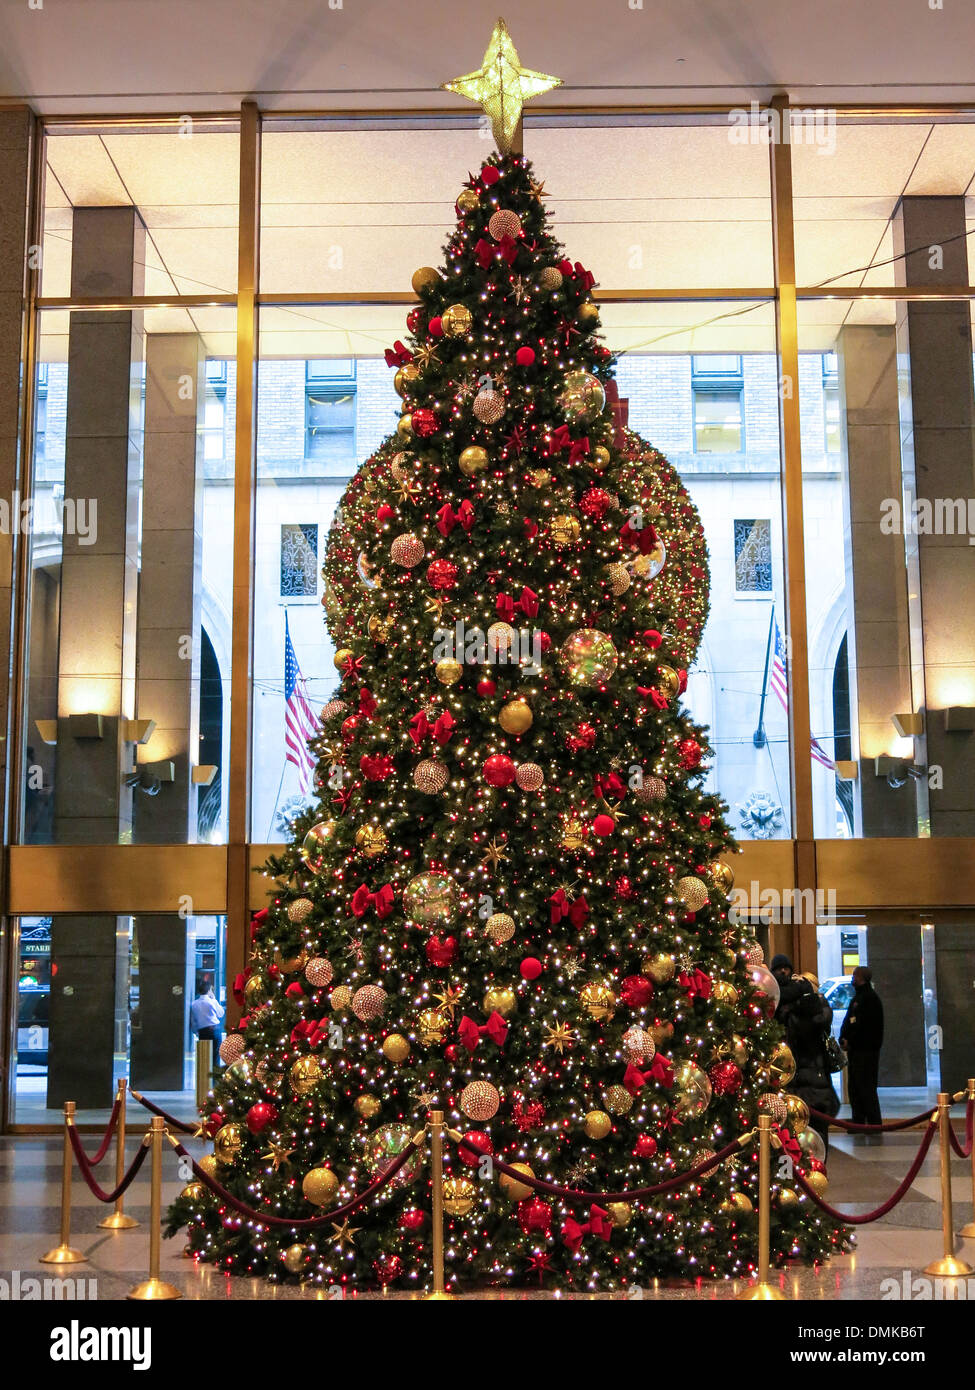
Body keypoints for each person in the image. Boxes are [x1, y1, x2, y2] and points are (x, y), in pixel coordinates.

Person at [770, 955, 839, 1157]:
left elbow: (817, 1021)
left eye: (786, 968)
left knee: (816, 1130)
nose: (783, 972)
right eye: (779, 969)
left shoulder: (809, 1004)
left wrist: (796, 1004)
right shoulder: (783, 1002)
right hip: (795, 1077)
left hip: (811, 1076)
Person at [840, 965, 884, 1131]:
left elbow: (865, 1028)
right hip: (857, 1052)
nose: (852, 979)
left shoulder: (870, 1000)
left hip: (866, 1053)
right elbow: (849, 1021)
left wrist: (850, 1041)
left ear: (862, 978)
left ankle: (873, 1123)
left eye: (855, 976)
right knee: (856, 1088)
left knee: (866, 1088)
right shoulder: (858, 999)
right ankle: (858, 1121)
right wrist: (844, 1038)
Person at [189, 977, 225, 1046]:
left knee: (204, 1055)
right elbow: (221, 1014)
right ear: (209, 991)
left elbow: (193, 1021)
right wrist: (214, 999)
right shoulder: (212, 1001)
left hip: (202, 1031)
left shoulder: (194, 1004)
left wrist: (196, 1032)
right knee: (216, 1053)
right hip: (215, 1029)